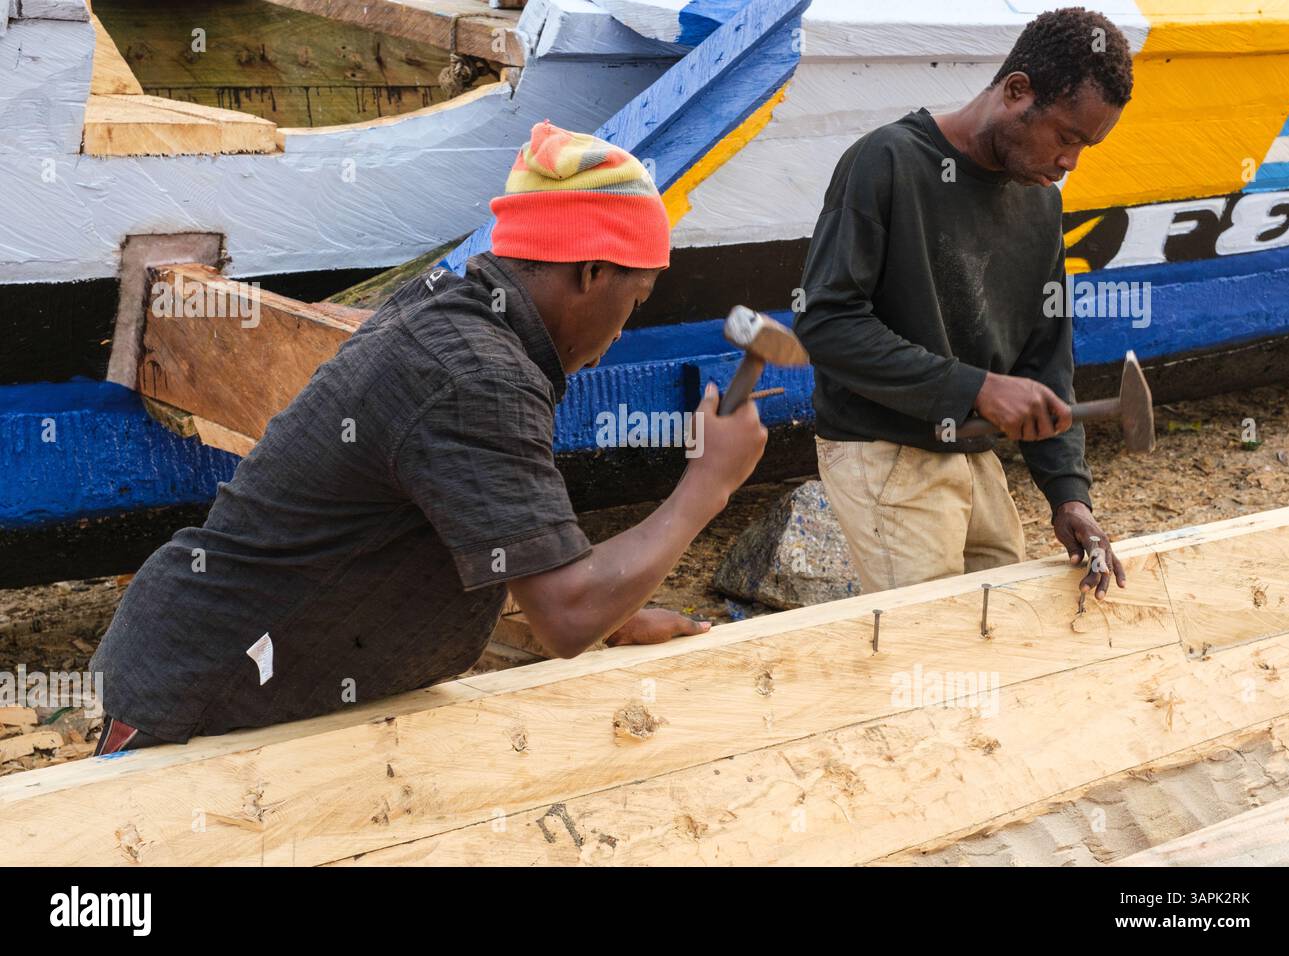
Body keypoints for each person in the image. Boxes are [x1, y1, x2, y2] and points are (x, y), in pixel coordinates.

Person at [90, 121, 768, 754]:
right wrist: (706, 486)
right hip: (200, 699)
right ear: (591, 273)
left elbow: (468, 520)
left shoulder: (456, 316)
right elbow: (566, 614)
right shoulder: (474, 375)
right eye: (636, 299)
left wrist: (614, 616)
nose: (621, 332)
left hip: (259, 680)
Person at [795, 7, 1133, 600]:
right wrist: (979, 387)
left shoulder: (1040, 206)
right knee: (936, 653)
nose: (1070, 162)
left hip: (976, 459)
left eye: (1087, 147)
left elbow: (1043, 365)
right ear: (1016, 91)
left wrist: (1068, 493)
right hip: (882, 454)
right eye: (1066, 136)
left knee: (1007, 633)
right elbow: (825, 324)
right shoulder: (889, 162)